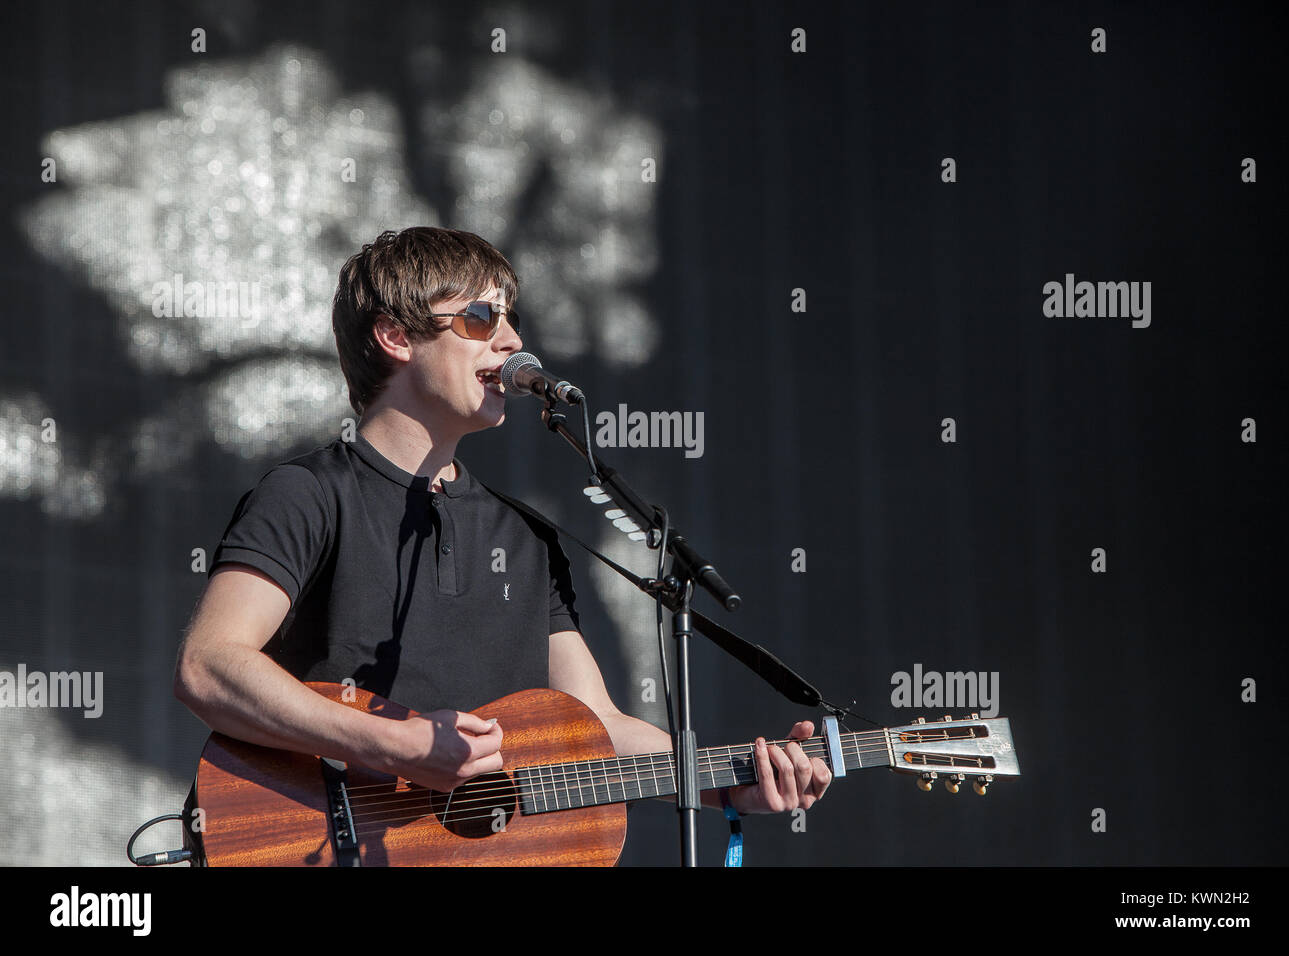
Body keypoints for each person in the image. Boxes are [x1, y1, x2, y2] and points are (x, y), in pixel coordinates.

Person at [173, 227, 831, 845]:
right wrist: (389, 744)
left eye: (511, 319)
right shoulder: (308, 495)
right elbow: (208, 666)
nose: (512, 340)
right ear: (397, 338)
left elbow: (594, 724)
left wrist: (730, 784)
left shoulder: (525, 537)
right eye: (482, 320)